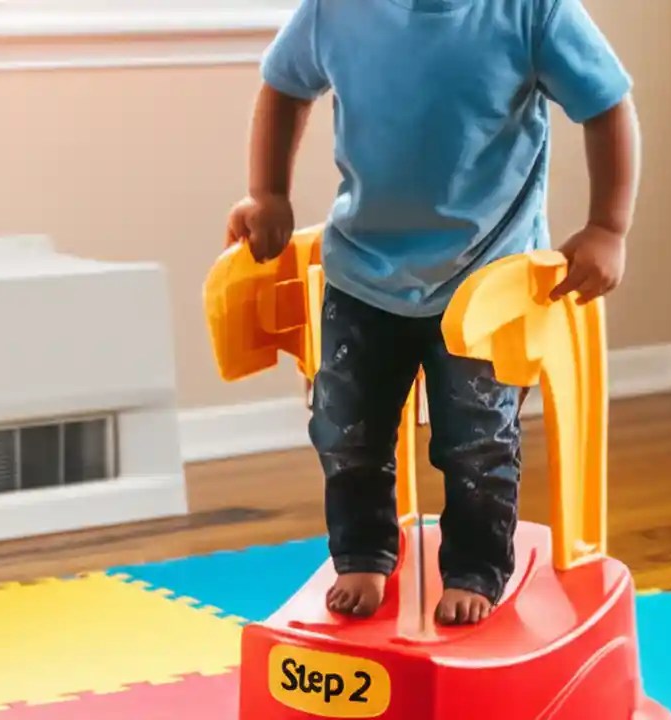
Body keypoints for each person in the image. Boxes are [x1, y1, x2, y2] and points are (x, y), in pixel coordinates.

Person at [225, 0, 640, 626]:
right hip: (362, 270)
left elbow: (607, 104)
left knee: (476, 440)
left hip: (487, 278)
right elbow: (283, 87)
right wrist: (268, 193)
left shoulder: (533, 12)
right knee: (345, 428)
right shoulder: (333, 12)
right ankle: (363, 548)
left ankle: (475, 565)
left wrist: (608, 225)